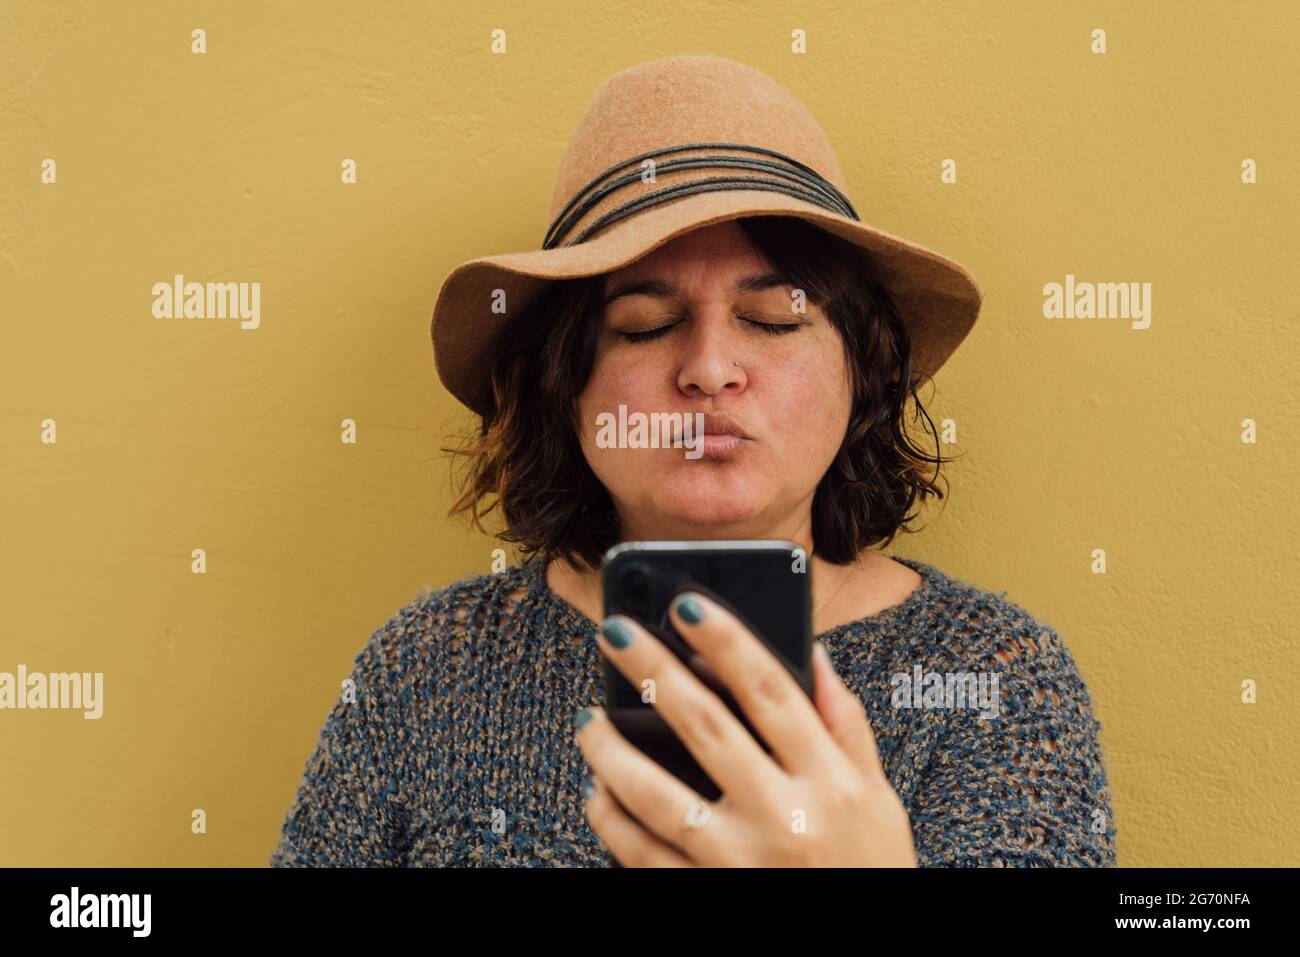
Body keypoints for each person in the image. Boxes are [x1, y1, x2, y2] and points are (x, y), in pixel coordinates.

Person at [270, 54, 1117, 867]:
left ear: (861, 370)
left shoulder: (991, 677)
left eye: (775, 320)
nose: (710, 368)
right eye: (642, 325)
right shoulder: (427, 668)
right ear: (568, 383)